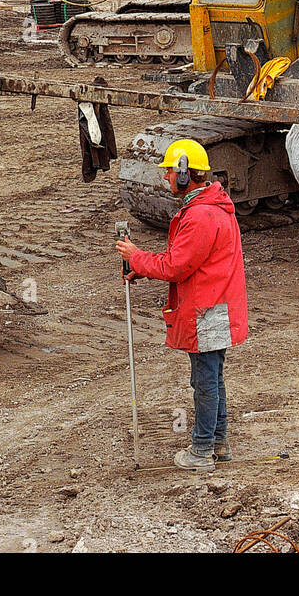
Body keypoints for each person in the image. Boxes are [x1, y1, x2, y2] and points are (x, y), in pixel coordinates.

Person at [114, 139, 248, 470]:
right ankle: (218, 442)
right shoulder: (210, 208)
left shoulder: (201, 215)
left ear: (186, 173)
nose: (166, 178)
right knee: (212, 377)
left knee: (205, 380)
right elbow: (187, 262)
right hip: (217, 304)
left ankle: (202, 451)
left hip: (207, 308)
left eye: (171, 171)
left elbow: (177, 265)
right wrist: (142, 268)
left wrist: (137, 257)